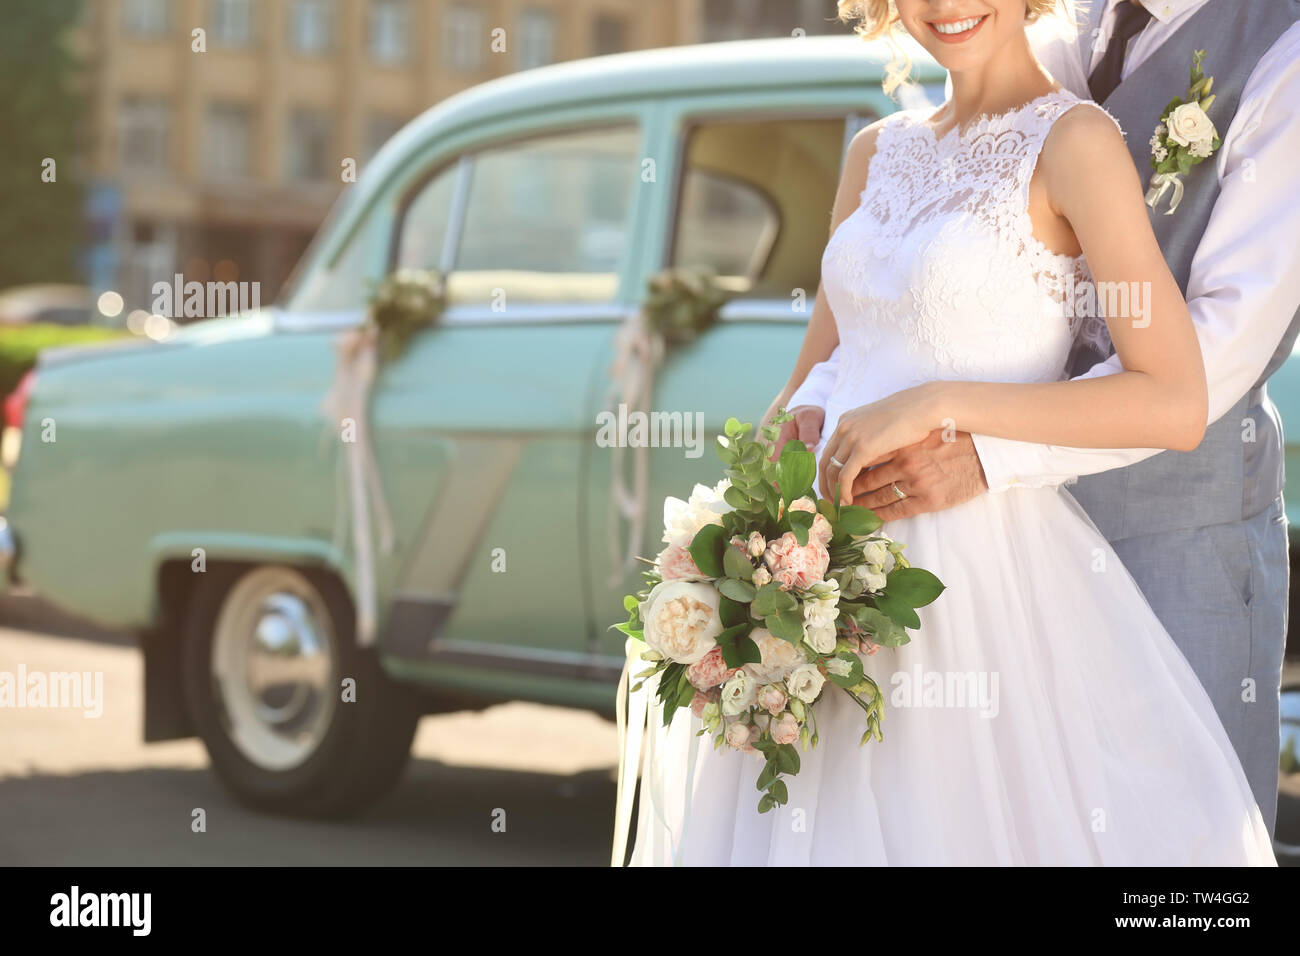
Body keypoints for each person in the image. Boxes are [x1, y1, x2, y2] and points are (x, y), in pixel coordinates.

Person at [625, 0, 1276, 866]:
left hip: (976, 576)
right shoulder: (874, 150)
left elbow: (1174, 400)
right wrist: (771, 491)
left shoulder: (1077, 143)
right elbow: (822, 363)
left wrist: (939, 403)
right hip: (822, 577)